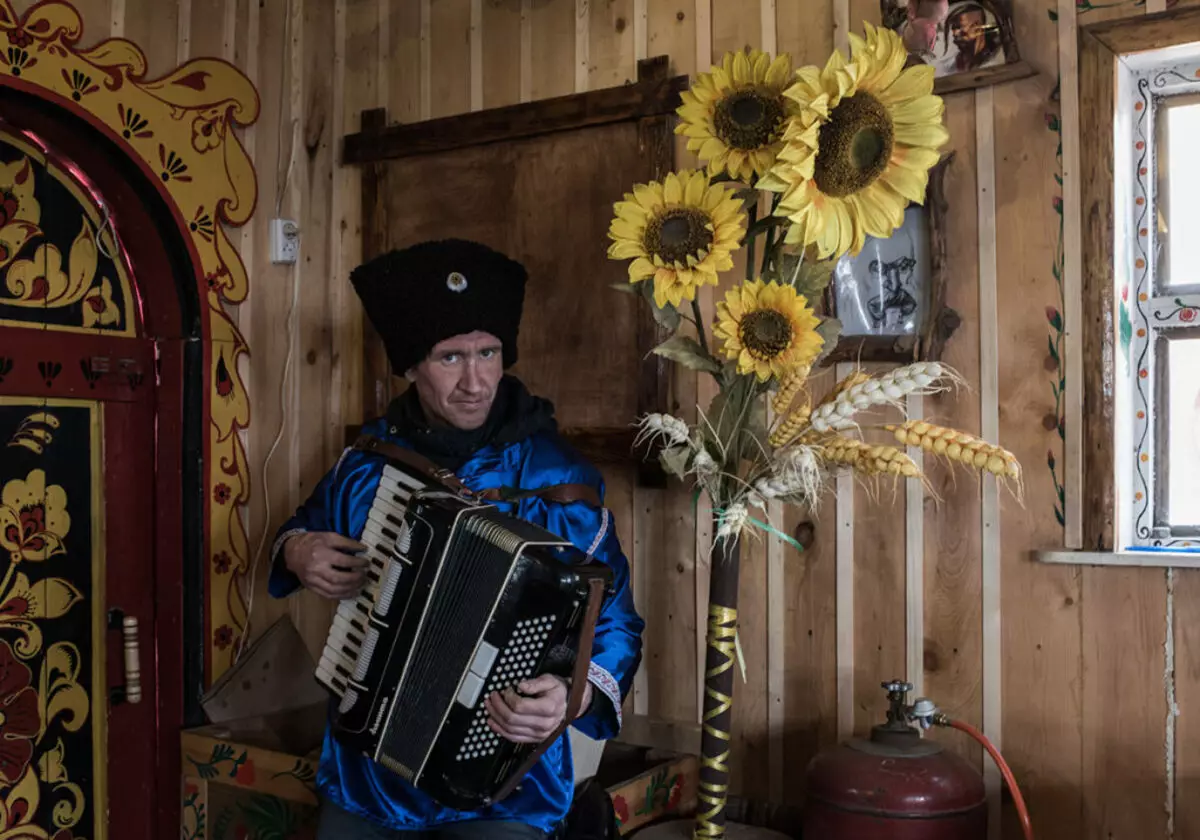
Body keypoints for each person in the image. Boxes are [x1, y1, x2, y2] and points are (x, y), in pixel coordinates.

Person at [267, 239, 645, 839]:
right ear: (412, 365)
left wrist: (571, 698)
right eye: (450, 358)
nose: (476, 381)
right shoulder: (367, 466)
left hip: (506, 787)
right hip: (370, 774)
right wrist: (298, 550)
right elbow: (299, 530)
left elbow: (617, 622)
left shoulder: (556, 478)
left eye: (488, 353)